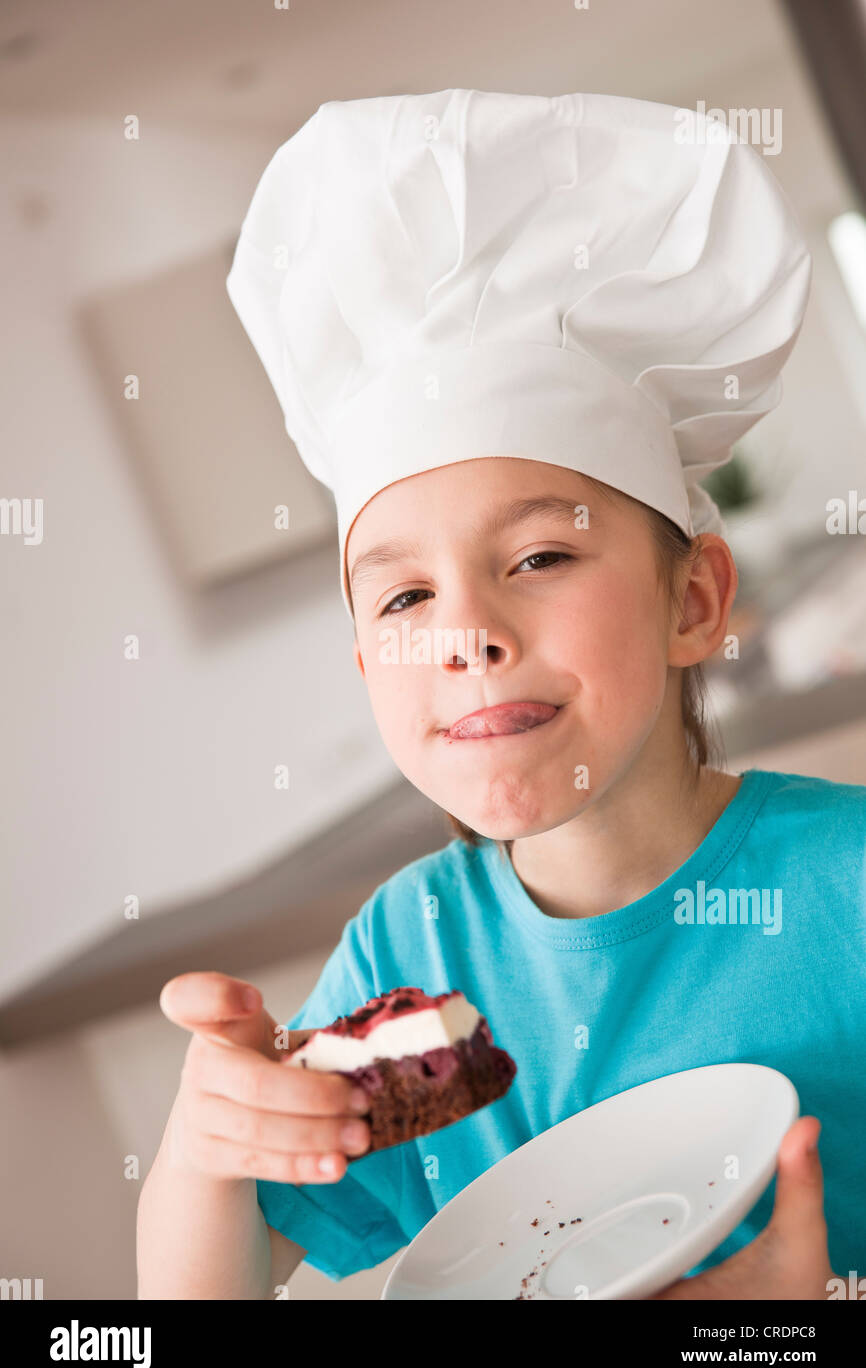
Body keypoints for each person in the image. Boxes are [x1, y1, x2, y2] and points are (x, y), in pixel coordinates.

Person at [137, 90, 865, 1300]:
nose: (465, 634)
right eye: (404, 599)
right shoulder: (404, 952)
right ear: (370, 666)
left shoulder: (845, 889)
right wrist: (203, 1156)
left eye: (537, 558)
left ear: (693, 599)